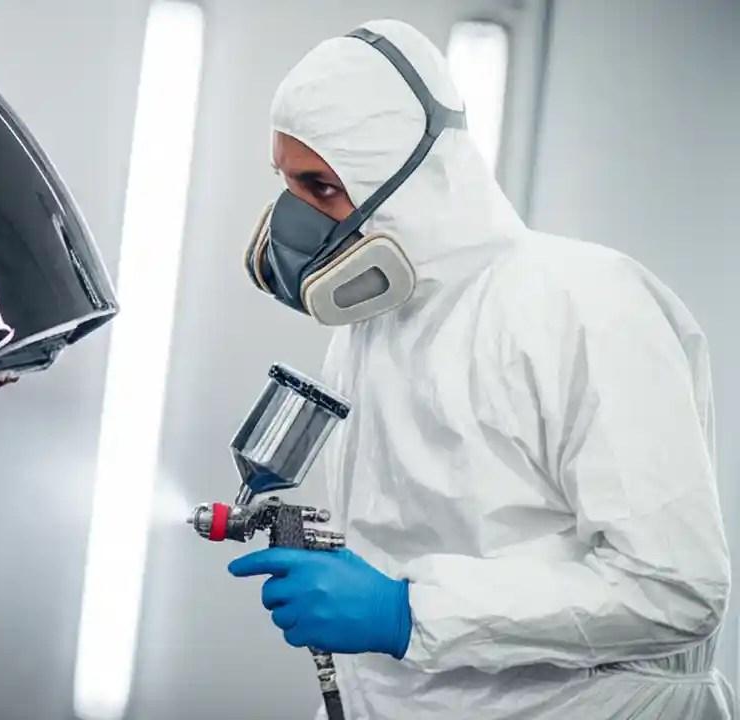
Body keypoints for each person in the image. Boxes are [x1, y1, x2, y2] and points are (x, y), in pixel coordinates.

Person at [227, 18, 734, 720]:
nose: (296, 225)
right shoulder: (368, 330)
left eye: (321, 187)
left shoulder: (584, 303)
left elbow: (675, 589)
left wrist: (408, 611)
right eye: (286, 184)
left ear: (407, 182)